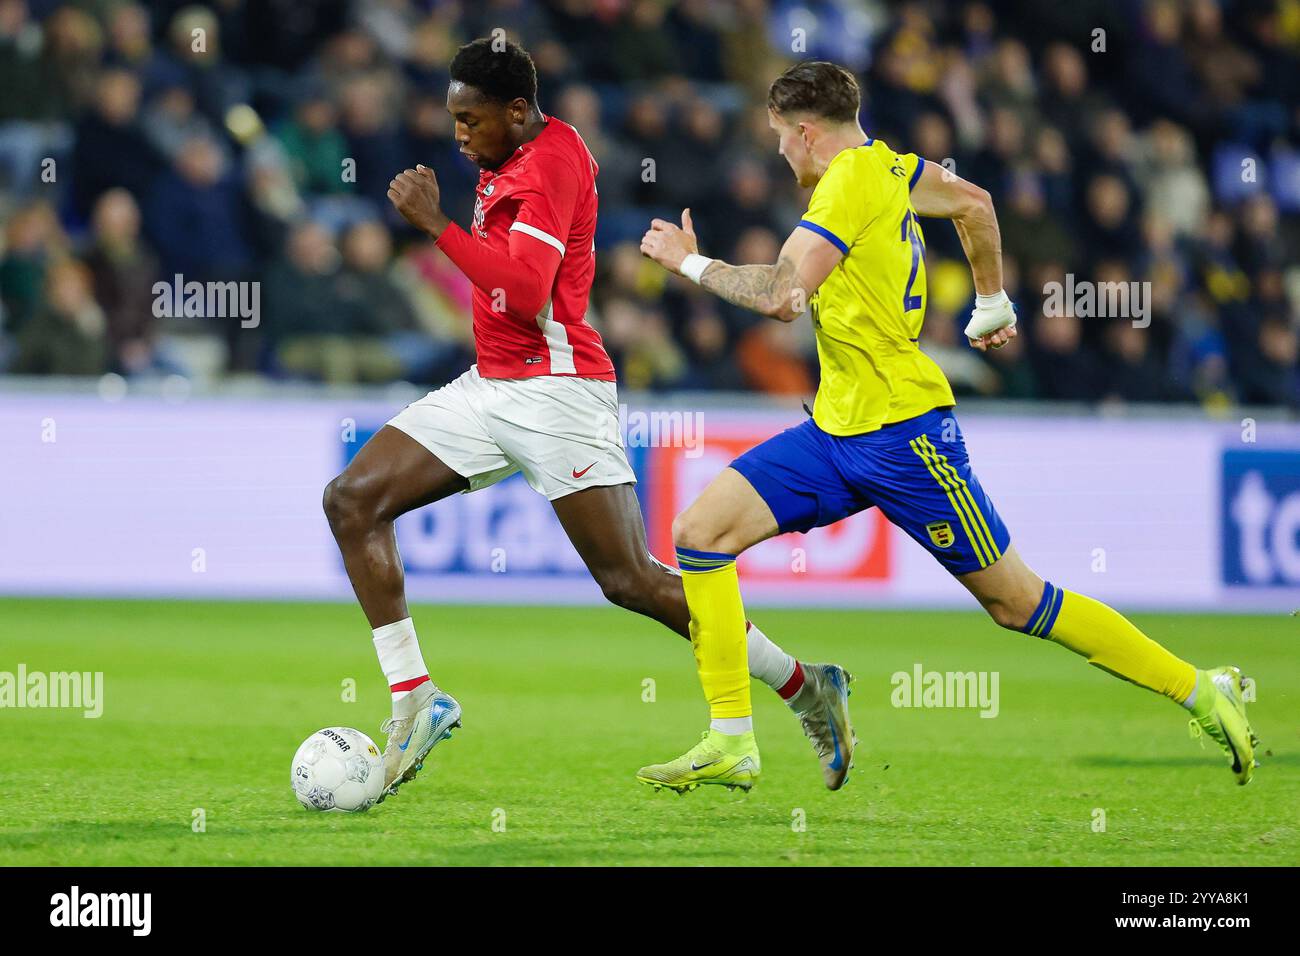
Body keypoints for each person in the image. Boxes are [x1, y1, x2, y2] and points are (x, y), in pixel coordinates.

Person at [635, 60, 1258, 794]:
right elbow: (976, 203)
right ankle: (733, 737)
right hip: (836, 431)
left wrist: (688, 261)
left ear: (807, 133)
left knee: (1017, 601)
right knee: (700, 533)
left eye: (780, 137)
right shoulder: (894, 167)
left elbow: (781, 297)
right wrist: (991, 302)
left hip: (906, 440)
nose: (778, 152)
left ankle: (1197, 686)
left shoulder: (845, 184)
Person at [323, 40, 856, 801]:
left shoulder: (549, 163)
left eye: (470, 120)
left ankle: (804, 684)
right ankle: (415, 699)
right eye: (452, 119)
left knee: (630, 579)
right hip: (491, 384)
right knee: (351, 500)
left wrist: (437, 225)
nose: (458, 135)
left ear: (516, 111)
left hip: (557, 392)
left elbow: (526, 290)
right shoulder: (514, 151)